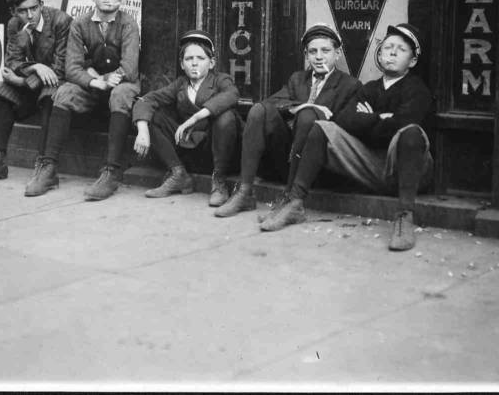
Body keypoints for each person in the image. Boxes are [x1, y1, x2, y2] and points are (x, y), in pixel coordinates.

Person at [259, 24, 433, 252]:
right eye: (388, 47)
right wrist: (380, 118)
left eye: (401, 49)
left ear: (412, 61)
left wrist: (368, 119)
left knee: (411, 133)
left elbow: (402, 124)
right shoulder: (369, 89)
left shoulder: (417, 90)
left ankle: (404, 216)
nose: (392, 52)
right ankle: (296, 202)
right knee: (322, 128)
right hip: (369, 166)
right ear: (379, 53)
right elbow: (344, 120)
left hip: (406, 171)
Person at [214, 23, 362, 218]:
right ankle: (245, 191)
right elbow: (273, 102)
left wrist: (317, 112)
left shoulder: (350, 85)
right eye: (313, 51)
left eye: (325, 51)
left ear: (338, 53)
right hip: (286, 157)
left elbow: (348, 125)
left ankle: (290, 198)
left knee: (308, 115)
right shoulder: (298, 79)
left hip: (317, 165)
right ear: (306, 55)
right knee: (259, 110)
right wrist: (300, 106)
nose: (318, 57)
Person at [0, 0, 72, 196]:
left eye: (34, 8)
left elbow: (59, 71)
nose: (30, 15)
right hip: (34, 82)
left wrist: (22, 80)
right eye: (23, 11)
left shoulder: (61, 21)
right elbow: (11, 63)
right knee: (3, 92)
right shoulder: (14, 24)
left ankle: (46, 167)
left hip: (55, 85)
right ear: (14, 12)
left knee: (51, 94)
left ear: (41, 4)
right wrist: (36, 67)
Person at [48, 0, 141, 201]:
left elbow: (129, 68)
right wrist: (95, 81)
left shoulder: (128, 24)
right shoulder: (80, 24)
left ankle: (111, 171)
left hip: (121, 83)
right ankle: (48, 166)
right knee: (65, 92)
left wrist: (108, 80)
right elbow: (72, 68)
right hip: (94, 85)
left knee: (121, 93)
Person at [132, 30, 241, 205]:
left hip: (215, 150)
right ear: (182, 64)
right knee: (153, 116)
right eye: (189, 59)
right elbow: (147, 100)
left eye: (201, 58)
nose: (194, 63)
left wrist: (195, 117)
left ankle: (219, 181)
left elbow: (232, 94)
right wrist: (143, 130)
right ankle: (178, 174)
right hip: (189, 150)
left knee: (226, 117)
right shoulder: (180, 84)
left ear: (211, 63)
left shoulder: (220, 80)